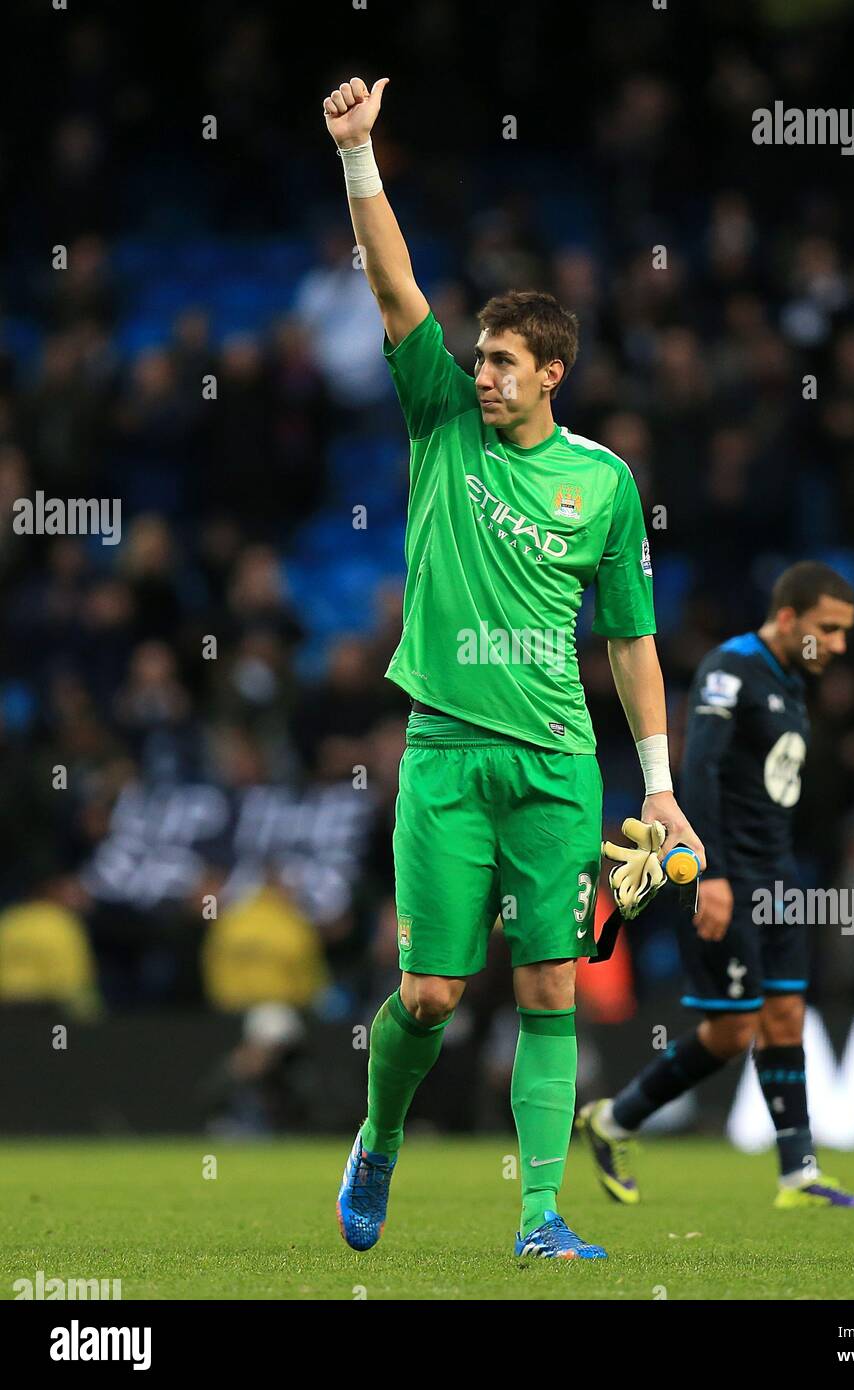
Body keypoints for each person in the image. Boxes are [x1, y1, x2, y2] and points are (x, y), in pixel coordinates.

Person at [324, 74, 705, 1259]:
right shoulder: (436, 416)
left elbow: (630, 639)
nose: (479, 372)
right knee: (431, 999)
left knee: (549, 988)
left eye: (500, 361)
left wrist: (653, 783)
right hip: (443, 753)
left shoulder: (601, 483)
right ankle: (380, 1133)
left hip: (555, 762)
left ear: (550, 373)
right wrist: (357, 156)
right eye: (476, 356)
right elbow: (392, 283)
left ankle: (538, 1216)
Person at [578, 561, 854, 1209]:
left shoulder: (792, 682)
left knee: (785, 1015)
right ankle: (615, 1119)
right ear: (788, 617)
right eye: (827, 630)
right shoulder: (729, 669)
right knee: (733, 1029)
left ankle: (799, 1174)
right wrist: (709, 873)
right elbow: (702, 767)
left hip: (777, 877)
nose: (837, 645)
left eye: (844, 633)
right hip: (727, 876)